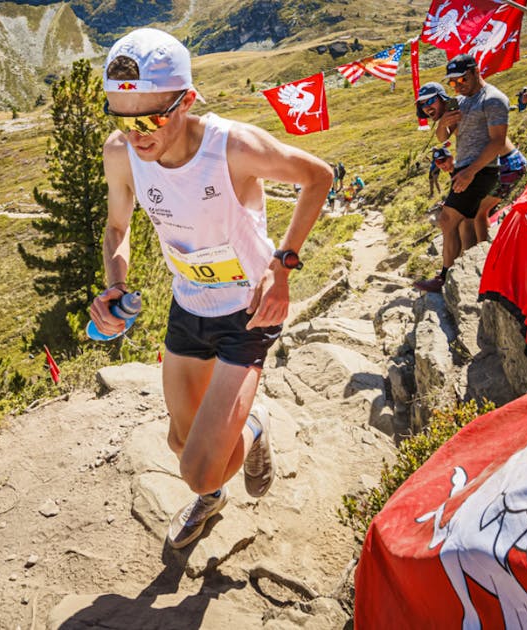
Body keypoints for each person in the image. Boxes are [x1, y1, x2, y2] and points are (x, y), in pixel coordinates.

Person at [91, 28, 333, 549]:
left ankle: (252, 429)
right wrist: (115, 284)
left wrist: (282, 266)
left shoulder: (233, 147)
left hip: (247, 312)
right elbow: (116, 227)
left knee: (199, 470)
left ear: (186, 101)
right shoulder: (122, 153)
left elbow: (318, 176)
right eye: (123, 120)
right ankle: (217, 489)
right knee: (180, 441)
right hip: (188, 305)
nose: (137, 135)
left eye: (151, 119)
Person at [414, 74, 525, 292]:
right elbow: (441, 137)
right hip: (503, 165)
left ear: (442, 97)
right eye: (422, 104)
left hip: (499, 164)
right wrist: (442, 123)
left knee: (454, 218)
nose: (426, 107)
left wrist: (470, 171)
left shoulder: (461, 105)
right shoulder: (451, 111)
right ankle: (484, 264)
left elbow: (491, 138)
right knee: (475, 216)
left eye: (430, 101)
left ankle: (452, 274)